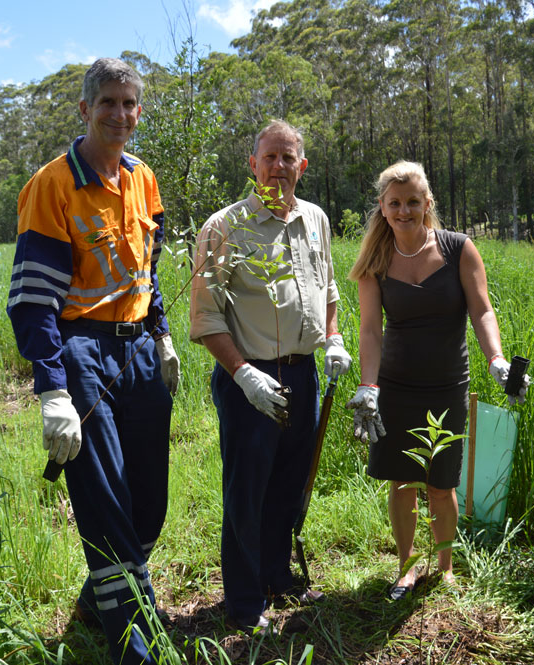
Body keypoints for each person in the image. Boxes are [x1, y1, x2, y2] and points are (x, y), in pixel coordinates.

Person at [6, 57, 180, 665]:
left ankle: (95, 603)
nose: (119, 114)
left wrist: (161, 334)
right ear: (85, 109)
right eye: (107, 102)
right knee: (104, 500)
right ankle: (137, 644)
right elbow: (33, 300)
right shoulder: (53, 185)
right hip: (80, 350)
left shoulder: (143, 178)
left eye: (129, 103)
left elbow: (146, 269)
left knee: (148, 504)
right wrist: (53, 388)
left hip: (138, 348)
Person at [189, 119, 352, 633]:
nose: (278, 167)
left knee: (288, 482)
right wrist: (243, 375)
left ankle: (277, 576)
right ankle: (243, 602)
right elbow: (206, 317)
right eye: (269, 157)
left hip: (304, 377)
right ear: (253, 164)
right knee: (247, 491)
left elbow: (327, 291)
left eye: (288, 158)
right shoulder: (224, 227)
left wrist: (333, 339)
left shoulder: (316, 219)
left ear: (301, 166)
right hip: (250, 383)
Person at [346, 160, 527, 599]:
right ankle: (406, 567)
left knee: (442, 484)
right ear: (383, 207)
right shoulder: (374, 260)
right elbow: (370, 331)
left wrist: (497, 359)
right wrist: (369, 386)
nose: (404, 211)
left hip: (447, 384)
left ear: (428, 203)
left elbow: (482, 310)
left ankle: (444, 567)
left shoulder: (457, 248)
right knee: (402, 482)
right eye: (395, 203)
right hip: (395, 386)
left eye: (413, 202)